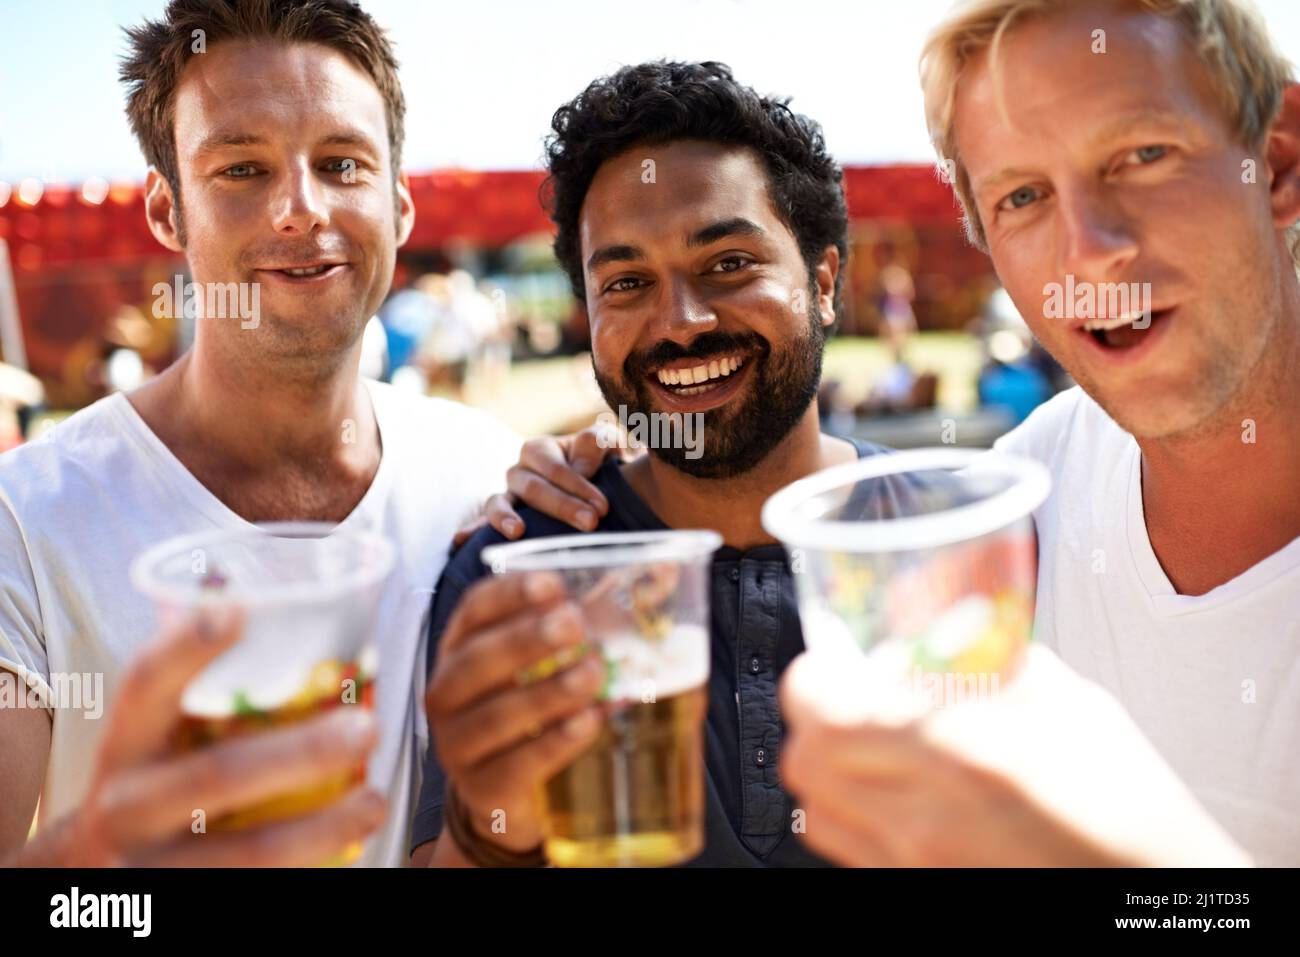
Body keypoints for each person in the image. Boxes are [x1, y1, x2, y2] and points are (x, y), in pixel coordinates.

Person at [0, 0, 525, 867]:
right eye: (242, 168)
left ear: (398, 206)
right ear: (167, 214)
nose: (299, 208)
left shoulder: (486, 477)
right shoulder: (28, 520)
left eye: (341, 163)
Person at [780, 0, 1300, 866]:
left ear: (1277, 163)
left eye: (1142, 155)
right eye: (1022, 196)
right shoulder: (1021, 501)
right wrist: (620, 471)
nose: (1091, 252)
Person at [411, 60, 881, 867]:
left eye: (729, 263)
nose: (683, 322)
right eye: (627, 282)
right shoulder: (519, 569)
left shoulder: (944, 544)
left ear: (825, 279)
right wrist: (492, 825)